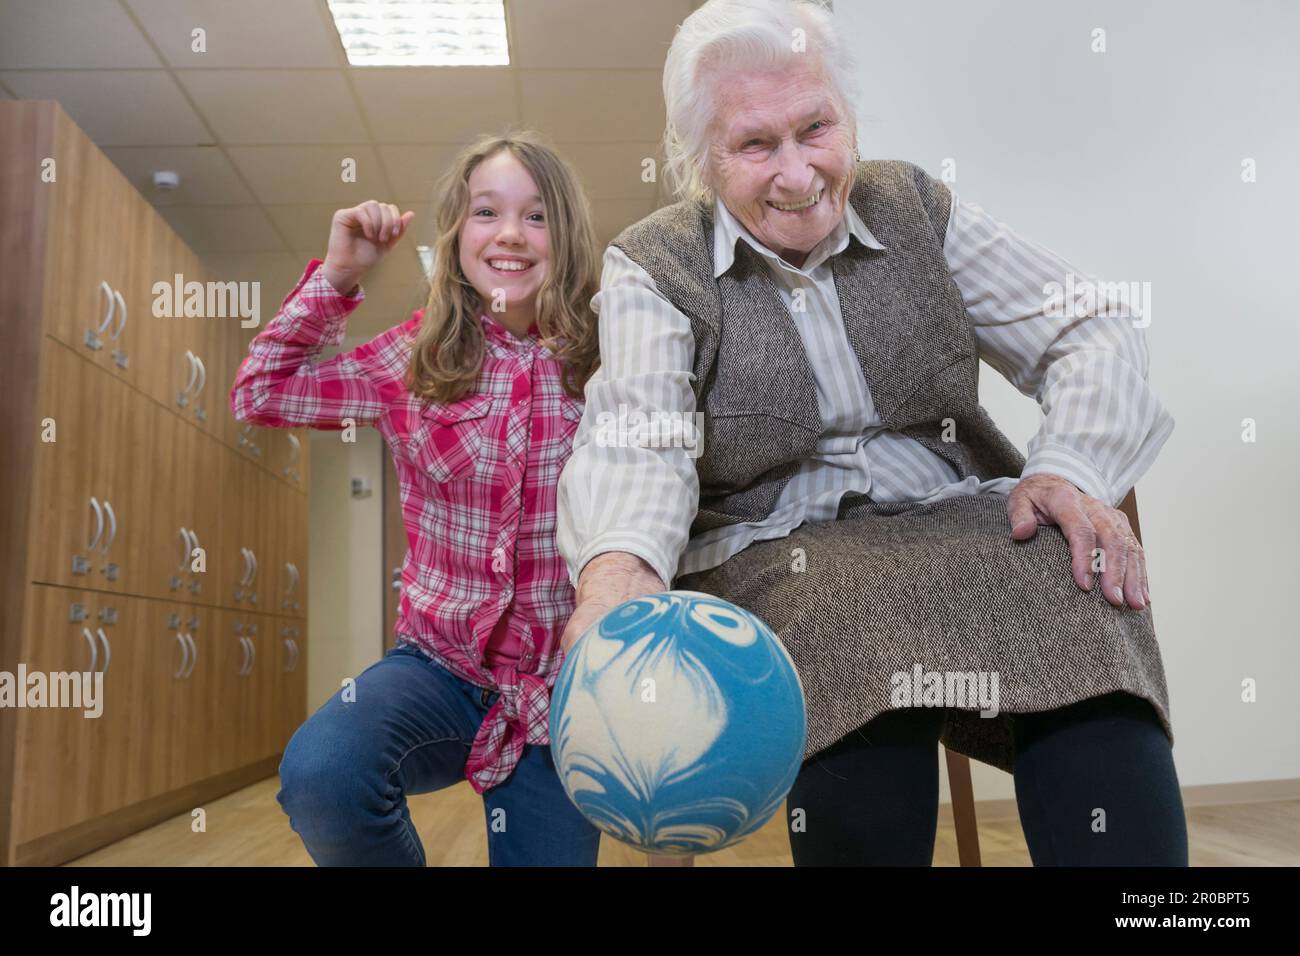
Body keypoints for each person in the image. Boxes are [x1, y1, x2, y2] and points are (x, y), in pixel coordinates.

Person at [556, 0, 1189, 866]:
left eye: (816, 128)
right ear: (699, 161)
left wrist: (1070, 467)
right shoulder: (654, 262)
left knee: (1075, 583)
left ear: (847, 117)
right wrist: (620, 568)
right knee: (838, 615)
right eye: (753, 145)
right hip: (780, 543)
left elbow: (1092, 325)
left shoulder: (914, 205)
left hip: (956, 515)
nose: (796, 174)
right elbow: (640, 431)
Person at [230, 131, 604, 866]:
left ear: (566, 236)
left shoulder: (611, 362)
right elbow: (261, 393)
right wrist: (338, 277)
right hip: (438, 668)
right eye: (486, 212)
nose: (509, 235)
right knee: (324, 774)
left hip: (562, 697)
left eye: (536, 217)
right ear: (456, 235)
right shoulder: (415, 358)